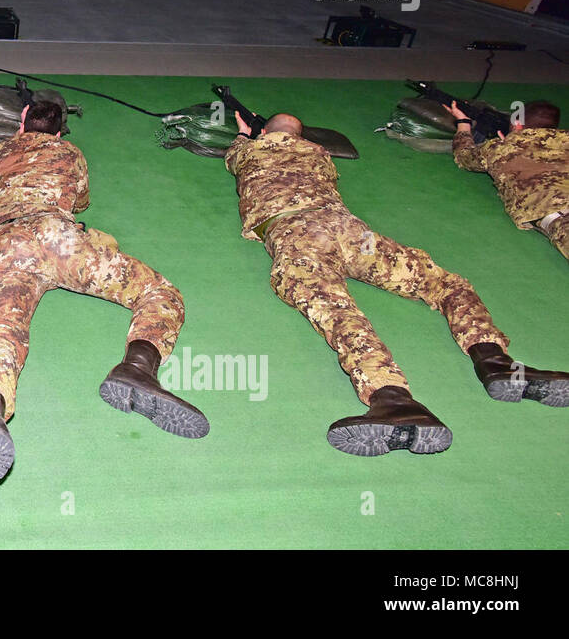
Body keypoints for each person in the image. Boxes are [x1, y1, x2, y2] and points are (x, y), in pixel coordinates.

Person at [225, 110, 567, 458]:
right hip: (353, 233)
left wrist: (243, 135)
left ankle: (391, 397)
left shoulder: (250, 151)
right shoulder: (319, 153)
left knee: (336, 309)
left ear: (263, 131)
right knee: (443, 282)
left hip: (296, 232)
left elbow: (234, 157)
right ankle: (496, 361)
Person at [0, 102, 207, 534]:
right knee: (158, 293)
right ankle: (137, 368)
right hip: (61, 239)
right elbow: (80, 200)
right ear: (62, 132)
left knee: (0, 331)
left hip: (10, 245)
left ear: (23, 120)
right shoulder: (71, 154)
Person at [447, 99, 569, 261]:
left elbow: (464, 156)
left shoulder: (499, 148)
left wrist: (463, 122)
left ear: (517, 125)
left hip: (561, 217)